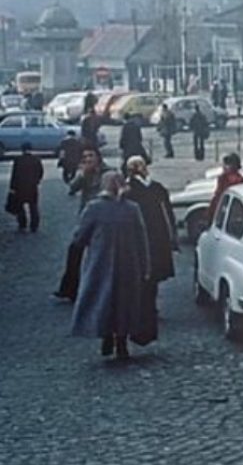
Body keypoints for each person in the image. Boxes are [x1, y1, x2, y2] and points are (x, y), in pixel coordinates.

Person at [70, 171, 150, 361]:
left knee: (103, 299)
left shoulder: (94, 208)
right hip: (128, 264)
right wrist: (145, 265)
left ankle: (106, 335)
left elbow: (80, 236)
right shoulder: (132, 208)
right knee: (125, 303)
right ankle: (121, 341)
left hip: (100, 263)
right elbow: (142, 239)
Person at [123, 155, 177, 342]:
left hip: (155, 239)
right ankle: (145, 309)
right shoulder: (132, 189)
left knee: (151, 276)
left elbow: (167, 213)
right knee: (146, 276)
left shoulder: (155, 187)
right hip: (146, 239)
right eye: (136, 166)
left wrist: (171, 236)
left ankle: (149, 306)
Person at [54, 145, 110, 301]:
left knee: (99, 256)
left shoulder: (108, 173)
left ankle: (99, 289)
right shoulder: (85, 174)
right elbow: (72, 188)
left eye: (91, 156)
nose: (88, 160)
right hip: (86, 219)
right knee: (74, 249)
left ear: (98, 157)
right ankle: (69, 288)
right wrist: (82, 174)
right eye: (85, 158)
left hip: (103, 220)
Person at [9, 141, 44, 233]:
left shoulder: (18, 160)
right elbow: (40, 172)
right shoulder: (36, 159)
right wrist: (37, 181)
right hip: (32, 186)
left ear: (22, 150)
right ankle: (34, 226)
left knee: (20, 207)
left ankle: (22, 224)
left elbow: (14, 174)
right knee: (33, 206)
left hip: (20, 187)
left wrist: (12, 187)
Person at [208, 153, 243, 223]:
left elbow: (218, 196)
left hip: (226, 214)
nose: (225, 167)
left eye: (228, 164)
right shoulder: (241, 180)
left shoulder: (226, 178)